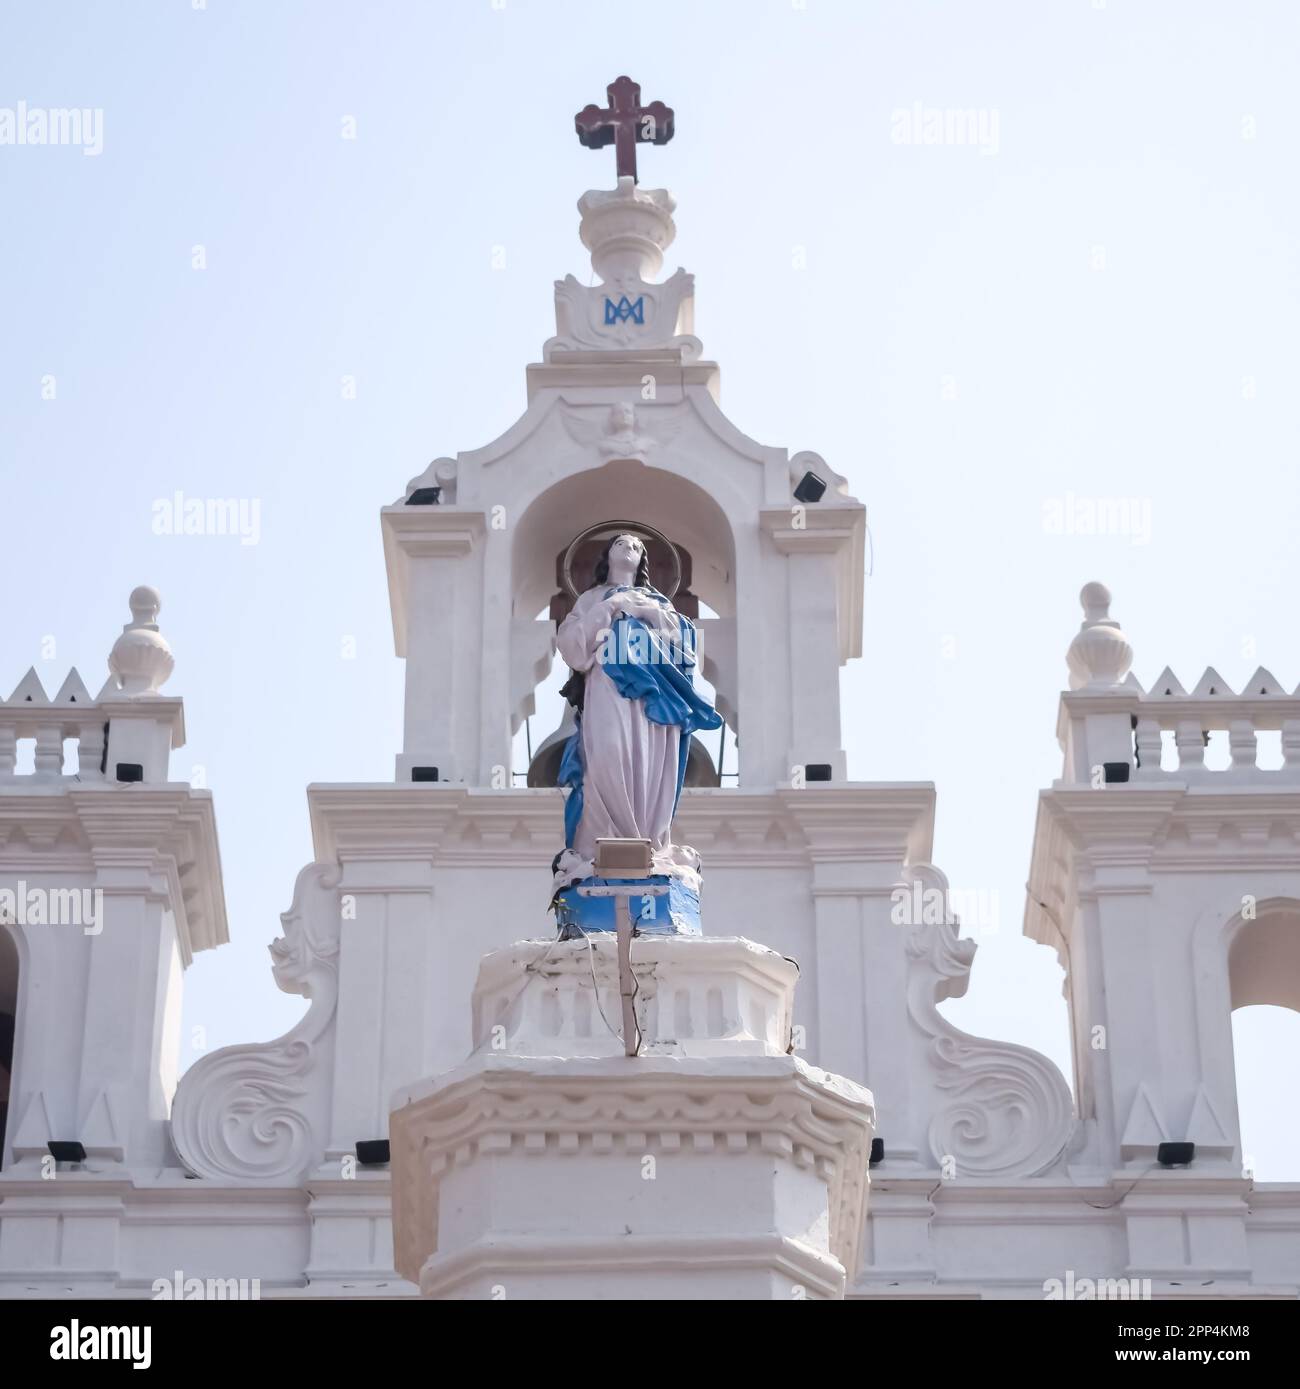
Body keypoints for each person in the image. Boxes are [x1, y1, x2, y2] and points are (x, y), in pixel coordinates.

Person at [554, 532, 720, 885]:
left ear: (642, 560)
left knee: (648, 762)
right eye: (620, 543)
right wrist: (610, 608)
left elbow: (684, 645)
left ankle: (648, 841)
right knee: (608, 751)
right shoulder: (591, 599)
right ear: (608, 556)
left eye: (635, 545)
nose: (628, 547)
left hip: (653, 698)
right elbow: (571, 645)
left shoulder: (659, 603)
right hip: (608, 686)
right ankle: (605, 839)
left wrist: (645, 612)